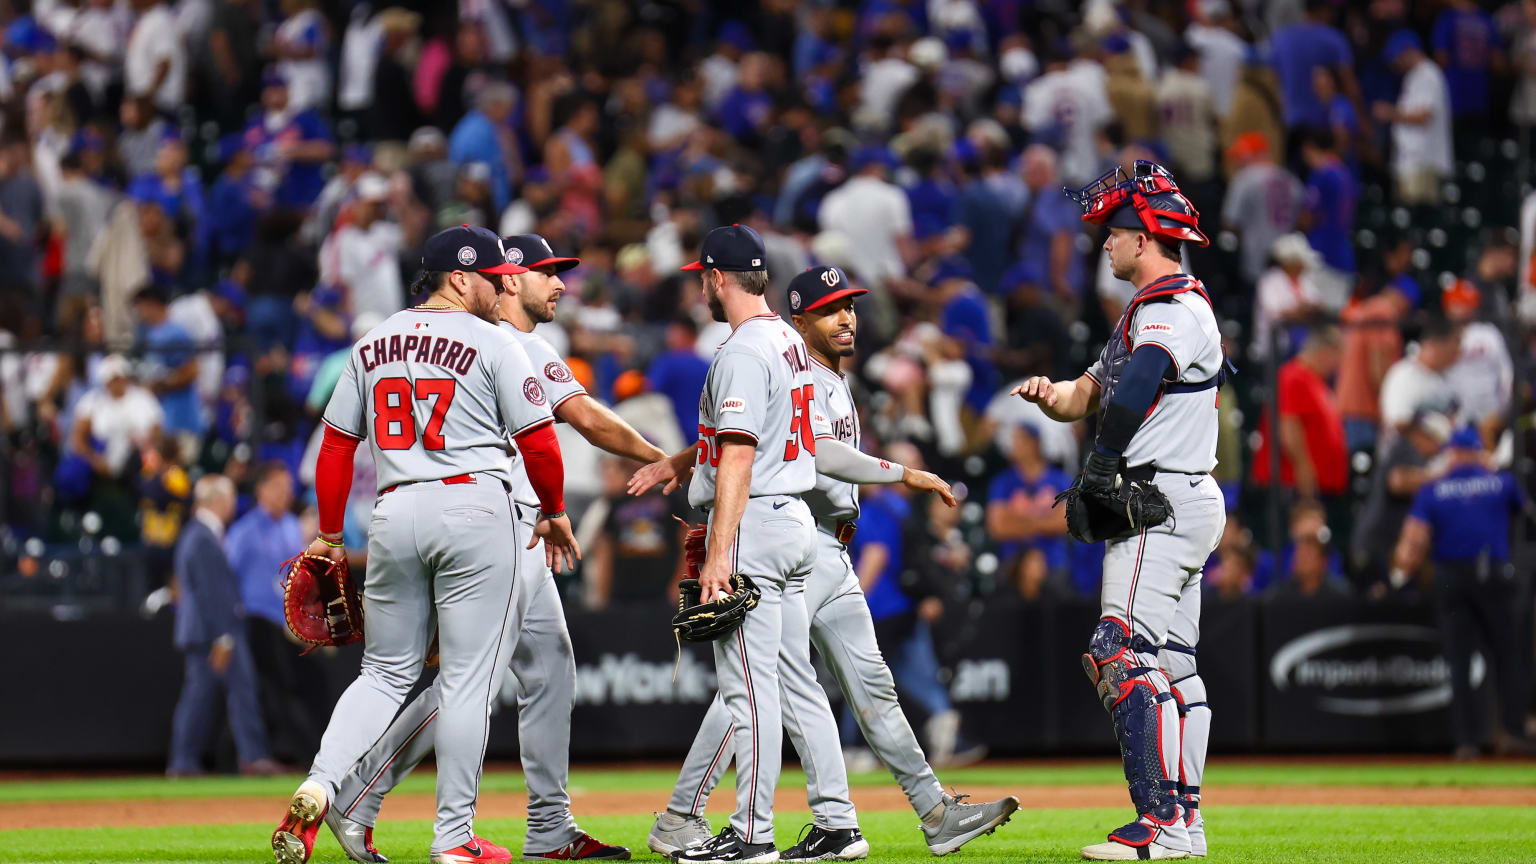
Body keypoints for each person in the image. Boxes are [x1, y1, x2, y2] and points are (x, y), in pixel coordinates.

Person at [646, 265, 1015, 861]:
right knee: (756, 684)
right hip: (800, 537)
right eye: (829, 310)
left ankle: (928, 811)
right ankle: (690, 813)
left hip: (829, 548)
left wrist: (682, 460)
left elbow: (754, 432)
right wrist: (902, 472)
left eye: (850, 306)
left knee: (861, 686)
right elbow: (801, 450)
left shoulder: (823, 375)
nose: (846, 318)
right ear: (800, 320)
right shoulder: (796, 368)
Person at [325, 235, 653, 862]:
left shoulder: (506, 341)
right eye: (544, 272)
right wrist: (663, 459)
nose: (558, 283)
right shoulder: (502, 341)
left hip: (500, 524)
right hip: (497, 528)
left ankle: (550, 826)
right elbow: (586, 420)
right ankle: (363, 797)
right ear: (508, 280)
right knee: (467, 681)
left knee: (550, 665)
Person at [268, 225, 577, 864]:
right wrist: (553, 510)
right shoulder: (494, 341)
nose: (503, 288)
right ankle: (453, 839)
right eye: (494, 278)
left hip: (394, 509)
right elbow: (541, 443)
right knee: (467, 682)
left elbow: (336, 446)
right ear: (459, 278)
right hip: (474, 505)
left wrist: (330, 534)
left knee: (383, 673)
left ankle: (321, 783)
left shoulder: (372, 342)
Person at [1013, 160, 1225, 860]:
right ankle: (1185, 825)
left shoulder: (1170, 307)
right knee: (1174, 666)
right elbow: (1088, 393)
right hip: (1182, 496)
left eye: (1115, 231)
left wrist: (1102, 461)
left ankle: (1158, 823)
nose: (1105, 242)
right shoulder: (1156, 308)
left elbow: (1139, 382)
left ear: (1146, 237)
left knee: (1118, 650)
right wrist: (1053, 395)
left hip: (1156, 501)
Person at [1393, 426, 1534, 760]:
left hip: (1449, 577)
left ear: (1453, 454)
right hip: (1493, 572)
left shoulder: (1433, 488)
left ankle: (1466, 742)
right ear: (1478, 452)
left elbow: (1414, 540)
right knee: (1508, 656)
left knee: (1459, 662)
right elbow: (1526, 513)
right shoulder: (1501, 482)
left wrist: (1399, 574)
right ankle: (1512, 732)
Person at [168, 473, 282, 777]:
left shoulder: (201, 534)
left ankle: (247, 756)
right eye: (230, 497)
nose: (234, 504)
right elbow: (211, 592)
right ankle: (187, 761)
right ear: (218, 500)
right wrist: (224, 638)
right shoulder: (202, 537)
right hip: (215, 633)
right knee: (206, 695)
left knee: (225, 692)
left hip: (212, 631)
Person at [225, 461, 318, 766]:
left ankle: (245, 757)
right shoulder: (244, 531)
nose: (285, 494)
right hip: (254, 621)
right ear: (261, 490)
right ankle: (304, 757)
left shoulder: (292, 527)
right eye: (278, 487)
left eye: (288, 488)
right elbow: (227, 577)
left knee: (280, 690)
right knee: (272, 689)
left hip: (286, 624)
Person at [1350, 411, 1451, 594]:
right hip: (1376, 542)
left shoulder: (1409, 451)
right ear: (1423, 435)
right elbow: (1397, 481)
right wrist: (1444, 478)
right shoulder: (1407, 448)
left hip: (1380, 542)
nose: (1436, 450)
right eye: (1437, 443)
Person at [1251, 326, 1347, 505]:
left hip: (1314, 487)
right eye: (1336, 359)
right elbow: (1288, 427)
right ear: (1325, 352)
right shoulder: (1292, 377)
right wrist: (1304, 470)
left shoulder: (1315, 380)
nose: (1336, 367)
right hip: (1294, 486)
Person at [986, 421, 1072, 584]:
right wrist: (1044, 520)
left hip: (1052, 564)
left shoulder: (1060, 480)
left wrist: (1019, 520)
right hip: (1012, 564)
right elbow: (997, 527)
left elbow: (1065, 523)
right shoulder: (1002, 481)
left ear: (1034, 443)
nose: (1013, 446)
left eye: (1019, 440)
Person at [1375, 31, 1453, 207]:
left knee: (1418, 213)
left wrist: (1389, 113)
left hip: (1423, 160)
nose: (1397, 64)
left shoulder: (1428, 74)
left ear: (1408, 52)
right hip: (1411, 160)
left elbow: (1423, 116)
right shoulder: (1414, 76)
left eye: (1398, 58)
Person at [1220, 132, 1303, 288]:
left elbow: (1230, 222)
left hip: (1256, 259)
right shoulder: (1290, 179)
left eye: (1239, 157)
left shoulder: (1245, 178)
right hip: (1288, 257)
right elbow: (1303, 219)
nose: (1237, 162)